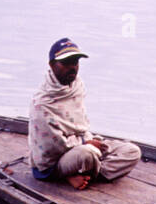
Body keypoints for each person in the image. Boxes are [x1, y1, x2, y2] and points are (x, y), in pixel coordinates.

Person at [28, 37, 142, 190]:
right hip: (54, 163)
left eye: (75, 62)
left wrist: (90, 140)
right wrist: (85, 143)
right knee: (87, 154)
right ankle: (72, 174)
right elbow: (53, 149)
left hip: (82, 144)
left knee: (132, 151)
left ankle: (87, 175)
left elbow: (81, 126)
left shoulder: (76, 86)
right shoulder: (42, 103)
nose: (73, 67)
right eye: (66, 63)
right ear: (52, 65)